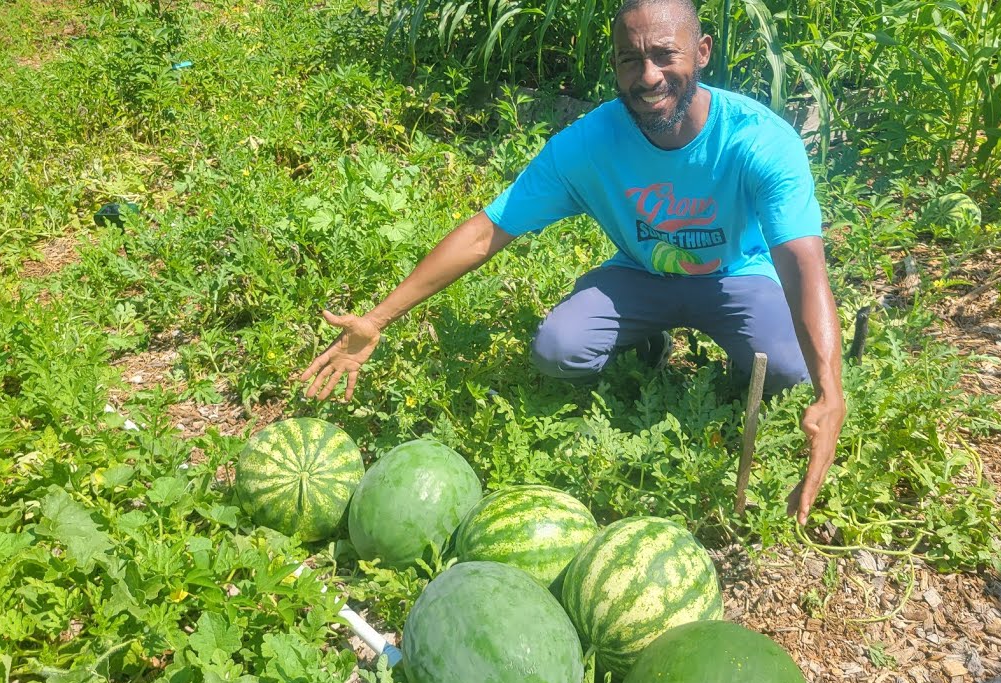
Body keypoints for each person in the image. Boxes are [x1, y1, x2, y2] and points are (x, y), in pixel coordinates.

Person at [298, 0, 845, 524]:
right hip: (639, 274)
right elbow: (488, 230)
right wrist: (377, 319)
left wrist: (830, 391)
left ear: (701, 52)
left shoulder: (758, 140)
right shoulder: (588, 144)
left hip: (736, 277)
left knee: (793, 371)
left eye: (664, 54)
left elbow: (802, 264)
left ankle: (742, 360)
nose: (648, 75)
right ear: (614, 65)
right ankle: (648, 342)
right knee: (557, 349)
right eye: (630, 59)